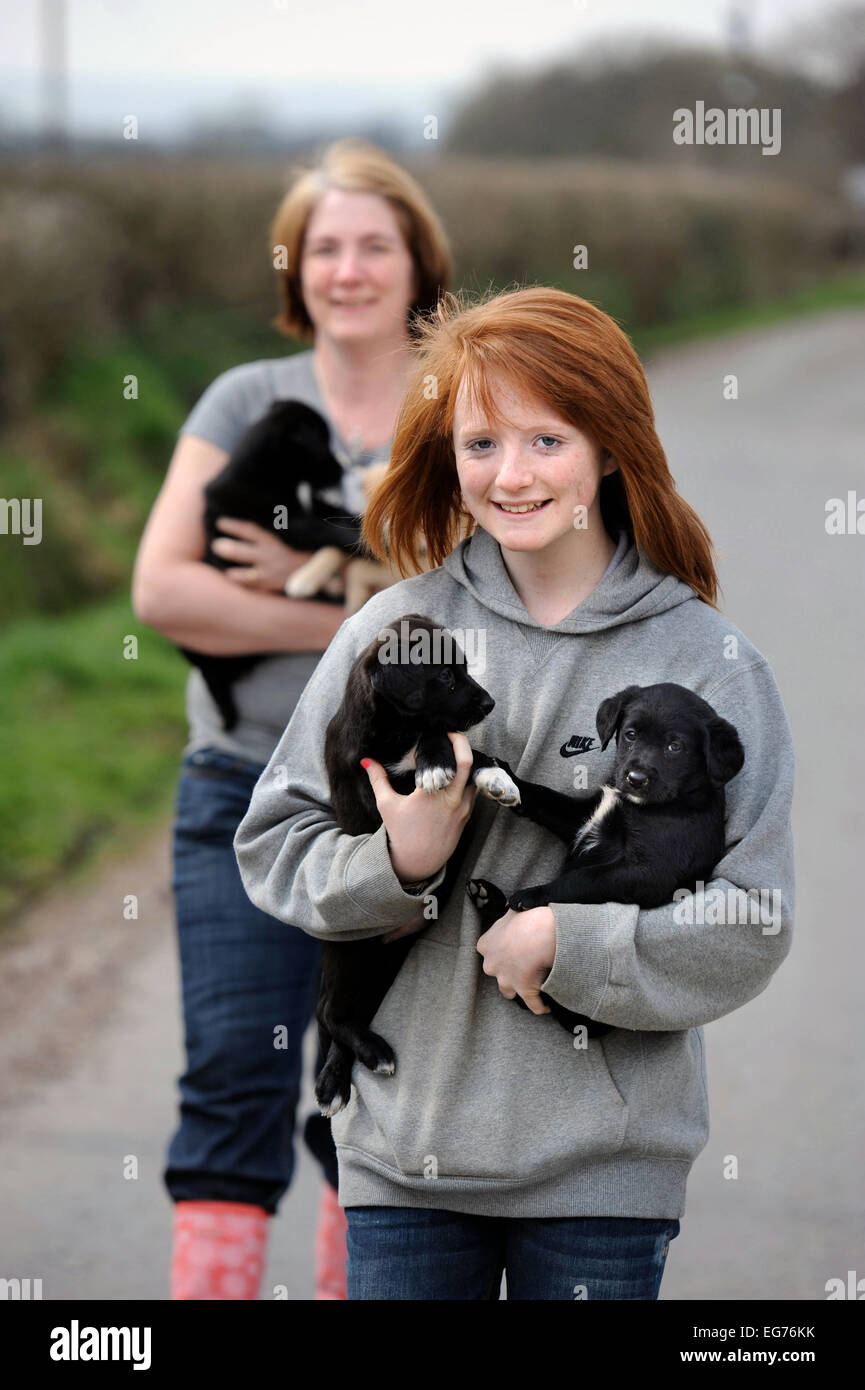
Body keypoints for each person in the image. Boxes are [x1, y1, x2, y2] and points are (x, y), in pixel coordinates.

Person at [232, 285, 796, 1301]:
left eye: (547, 439)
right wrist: (394, 864)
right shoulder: (392, 630)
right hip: (402, 1158)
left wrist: (574, 945)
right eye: (480, 442)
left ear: (611, 446)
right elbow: (274, 846)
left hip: (600, 1178)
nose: (512, 474)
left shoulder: (708, 662)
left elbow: (750, 919)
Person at [131, 137, 452, 1300]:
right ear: (294, 268)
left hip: (406, 810)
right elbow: (162, 590)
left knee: (378, 1081)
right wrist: (355, 615)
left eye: (375, 244)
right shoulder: (244, 399)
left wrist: (278, 588)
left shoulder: (462, 405)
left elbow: (470, 618)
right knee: (231, 1075)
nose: (349, 268)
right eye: (325, 246)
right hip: (239, 783)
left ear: (419, 263)